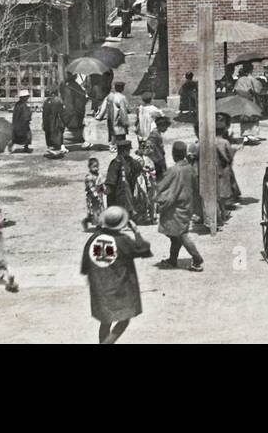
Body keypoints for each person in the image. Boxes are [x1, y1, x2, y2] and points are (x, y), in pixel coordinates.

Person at [82, 206, 152, 343]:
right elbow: (143, 249)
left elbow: (85, 267)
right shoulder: (123, 240)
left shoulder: (92, 239)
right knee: (124, 319)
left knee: (105, 320)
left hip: (99, 287)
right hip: (119, 287)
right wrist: (136, 231)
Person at [154, 141, 203, 272]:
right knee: (175, 235)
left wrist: (157, 197)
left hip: (176, 207)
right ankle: (172, 259)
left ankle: (197, 259)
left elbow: (163, 186)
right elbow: (195, 187)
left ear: (174, 154)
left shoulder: (174, 170)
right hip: (187, 205)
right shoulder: (189, 168)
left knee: (181, 234)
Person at [105, 140, 141, 213]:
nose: (129, 152)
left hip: (127, 189)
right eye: (128, 150)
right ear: (123, 151)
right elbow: (111, 178)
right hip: (119, 191)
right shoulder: (116, 163)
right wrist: (109, 188)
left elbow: (138, 167)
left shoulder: (129, 160)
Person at [82, 156, 106, 230]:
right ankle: (96, 225)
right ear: (89, 167)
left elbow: (102, 183)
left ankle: (99, 224)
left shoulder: (99, 175)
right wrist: (95, 195)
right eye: (94, 167)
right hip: (92, 197)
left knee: (100, 210)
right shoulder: (89, 177)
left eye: (97, 166)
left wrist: (104, 189)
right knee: (94, 211)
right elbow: (90, 188)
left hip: (99, 195)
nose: (96, 168)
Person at [102, 80, 130, 145]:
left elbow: (103, 107)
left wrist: (99, 116)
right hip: (118, 117)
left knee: (112, 131)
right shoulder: (122, 97)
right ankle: (119, 145)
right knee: (120, 132)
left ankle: (112, 145)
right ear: (122, 88)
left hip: (110, 117)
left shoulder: (110, 96)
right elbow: (124, 109)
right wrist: (125, 121)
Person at [42, 88, 67, 158]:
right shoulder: (58, 100)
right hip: (56, 121)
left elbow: (44, 114)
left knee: (49, 135)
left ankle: (51, 148)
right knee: (58, 134)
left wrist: (43, 123)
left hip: (47, 122)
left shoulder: (46, 101)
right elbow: (62, 112)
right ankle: (58, 149)